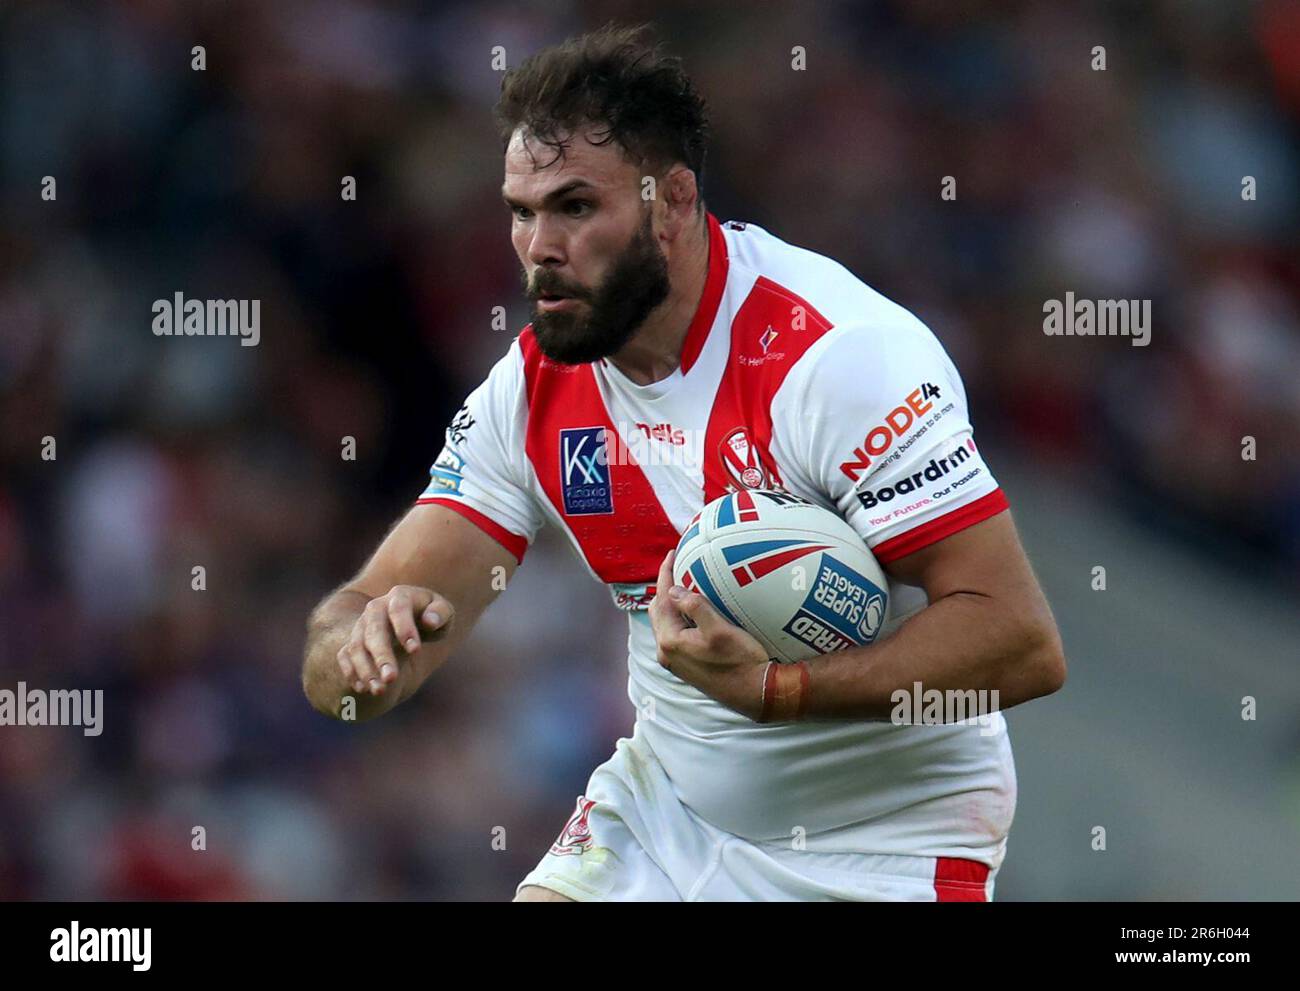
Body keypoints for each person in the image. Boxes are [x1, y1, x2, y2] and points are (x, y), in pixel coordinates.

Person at [301, 23, 1066, 902]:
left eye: (576, 207)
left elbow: (1021, 642)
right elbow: (352, 651)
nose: (539, 246)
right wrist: (358, 653)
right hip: (666, 813)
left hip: (880, 842)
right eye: (522, 210)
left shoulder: (835, 359)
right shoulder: (534, 392)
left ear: (671, 203)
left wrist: (777, 690)